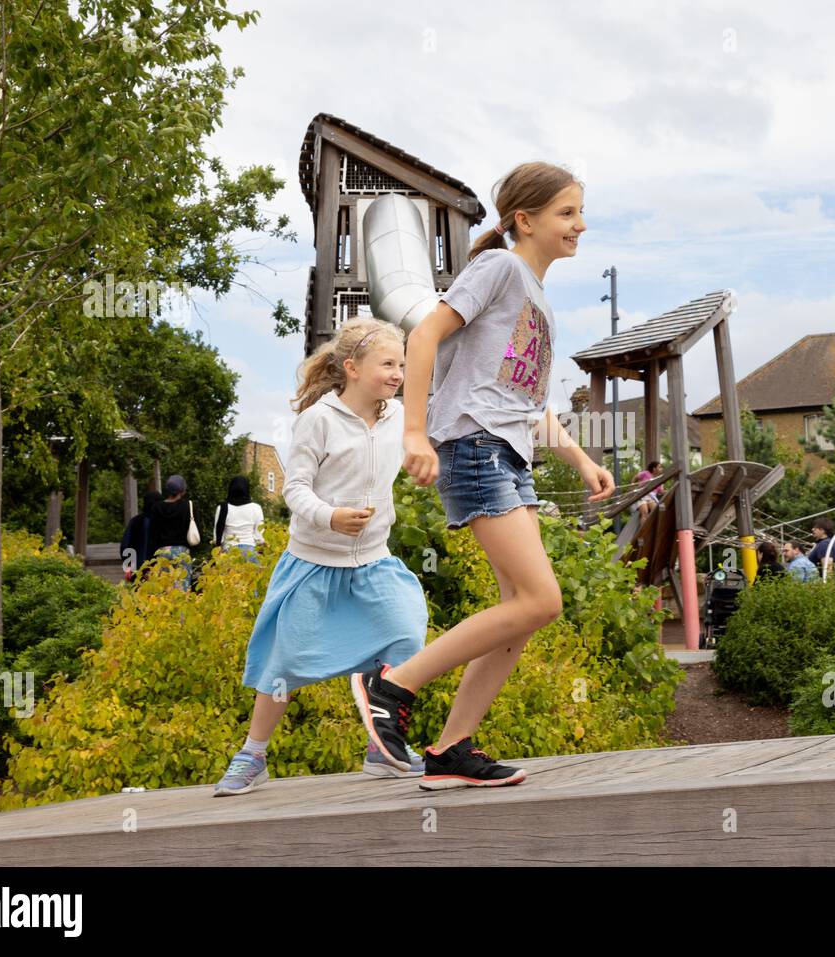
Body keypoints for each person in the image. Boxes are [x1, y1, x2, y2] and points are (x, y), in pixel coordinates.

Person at [354, 160, 615, 790]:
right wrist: (414, 433)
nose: (581, 224)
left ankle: (450, 749)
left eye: (580, 211)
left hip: (507, 453)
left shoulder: (536, 297)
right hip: (474, 448)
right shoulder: (499, 267)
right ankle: (392, 685)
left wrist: (580, 460)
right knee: (541, 600)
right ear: (524, 220)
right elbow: (424, 338)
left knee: (522, 610)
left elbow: (525, 401)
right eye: (567, 212)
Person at [213, 318, 429, 796]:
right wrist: (330, 517)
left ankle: (380, 747)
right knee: (283, 665)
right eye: (387, 364)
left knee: (405, 637)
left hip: (373, 561)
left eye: (402, 364)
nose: (398, 373)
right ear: (351, 368)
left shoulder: (400, 415)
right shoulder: (319, 419)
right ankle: (252, 754)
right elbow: (295, 488)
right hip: (314, 561)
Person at [148, 475, 197, 591]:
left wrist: (150, 560)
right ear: (183, 490)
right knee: (182, 590)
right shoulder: (188, 506)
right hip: (182, 552)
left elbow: (153, 536)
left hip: (162, 552)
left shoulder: (156, 507)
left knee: (165, 591)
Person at [214, 476, 265, 564]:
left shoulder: (222, 508)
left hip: (229, 552)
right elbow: (259, 536)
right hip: (250, 551)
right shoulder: (256, 508)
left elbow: (217, 536)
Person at [119, 490, 161, 584]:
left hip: (137, 570)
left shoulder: (136, 521)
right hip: (160, 572)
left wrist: (128, 566)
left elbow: (126, 545)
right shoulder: (163, 522)